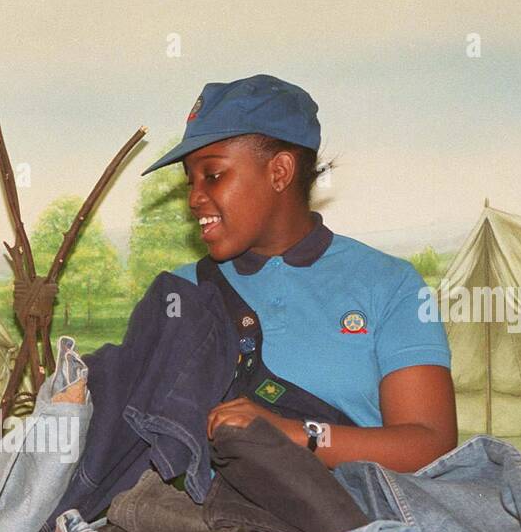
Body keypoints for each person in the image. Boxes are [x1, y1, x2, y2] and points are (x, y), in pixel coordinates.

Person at [146, 75, 457, 471]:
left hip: (357, 524)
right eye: (191, 182)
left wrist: (295, 434)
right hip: (221, 526)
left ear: (280, 172)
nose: (193, 198)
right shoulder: (181, 292)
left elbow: (430, 444)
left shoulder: (390, 284)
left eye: (213, 175)